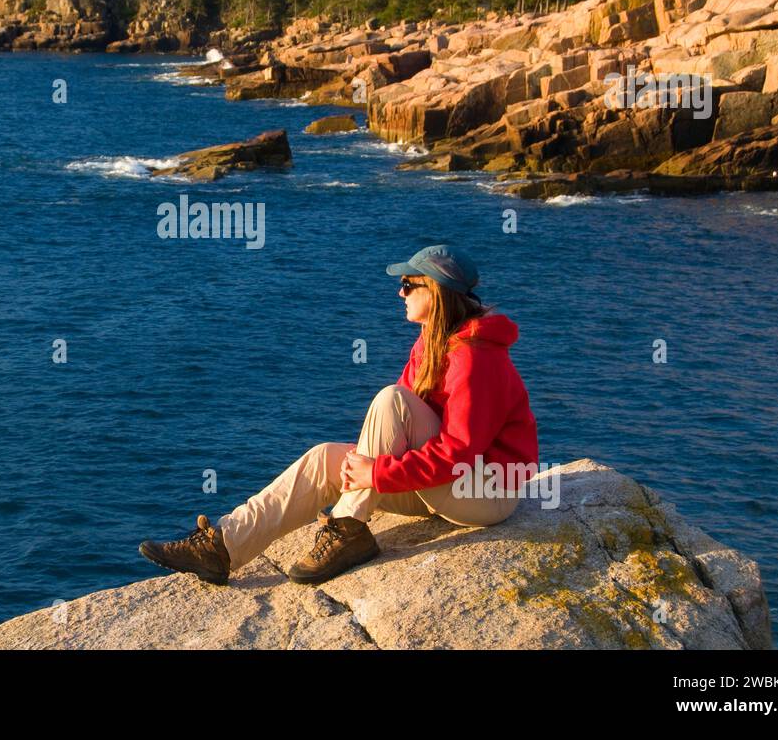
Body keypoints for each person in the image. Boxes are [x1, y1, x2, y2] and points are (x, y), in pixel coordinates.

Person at [138, 244, 539, 586]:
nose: (400, 293)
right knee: (324, 458)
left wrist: (377, 474)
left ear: (435, 292)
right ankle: (223, 547)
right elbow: (408, 434)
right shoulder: (431, 343)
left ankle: (348, 529)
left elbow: (460, 454)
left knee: (389, 400)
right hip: (446, 485)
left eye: (407, 285)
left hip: (486, 493)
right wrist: (365, 469)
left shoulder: (475, 358)